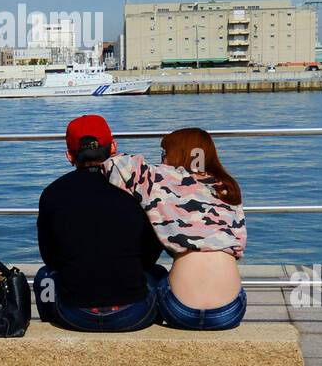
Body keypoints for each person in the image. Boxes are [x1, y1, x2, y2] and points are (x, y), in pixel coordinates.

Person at [104, 128, 247, 330]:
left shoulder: (161, 178)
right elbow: (239, 243)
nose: (162, 160)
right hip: (229, 311)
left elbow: (116, 165)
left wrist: (110, 149)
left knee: (152, 275)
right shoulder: (227, 188)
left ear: (178, 154)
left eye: (164, 153)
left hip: (179, 310)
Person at [35, 114, 165, 332]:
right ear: (113, 147)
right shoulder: (137, 189)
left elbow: (51, 258)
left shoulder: (52, 193)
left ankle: (50, 323)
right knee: (159, 273)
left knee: (44, 276)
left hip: (74, 314)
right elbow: (150, 254)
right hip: (133, 313)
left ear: (69, 156)